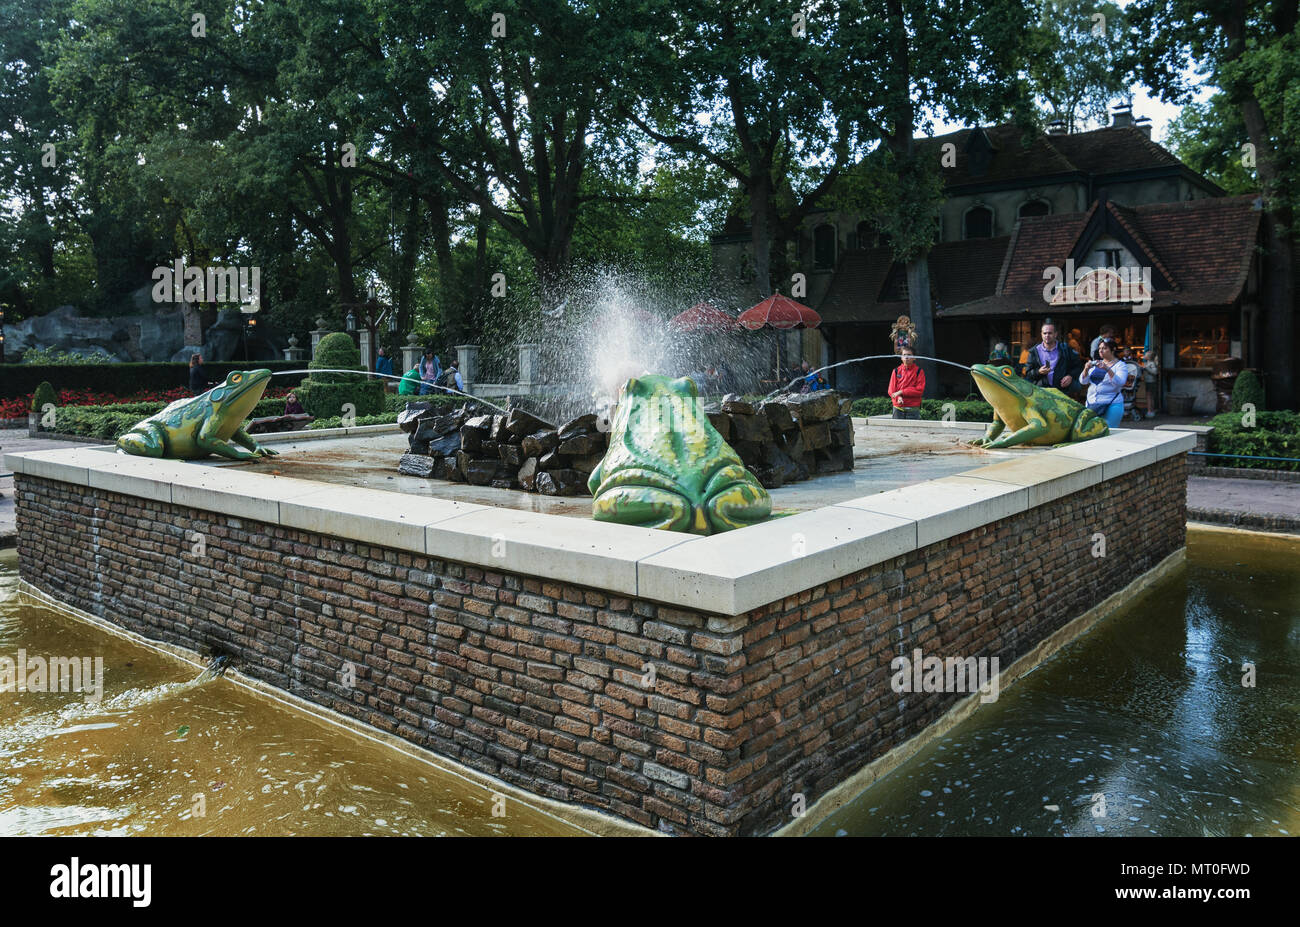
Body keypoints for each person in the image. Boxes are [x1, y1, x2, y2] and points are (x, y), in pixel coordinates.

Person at [1024, 318, 1083, 396]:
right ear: (1041, 334)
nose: (1047, 336)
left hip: (1062, 392)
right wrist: (1038, 372)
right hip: (1041, 392)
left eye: (1050, 333)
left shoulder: (1065, 349)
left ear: (1055, 334)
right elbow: (1028, 374)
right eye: (1044, 333)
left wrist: (1070, 376)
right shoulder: (1034, 352)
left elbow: (1078, 366)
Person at [1081, 336, 1128, 428]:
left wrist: (1107, 369)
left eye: (1104, 348)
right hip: (1092, 403)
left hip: (1111, 403)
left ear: (1113, 350)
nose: (1101, 351)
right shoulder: (1096, 363)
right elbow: (1083, 381)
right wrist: (1086, 369)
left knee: (1109, 431)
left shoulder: (1120, 365)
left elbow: (1120, 382)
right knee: (1091, 431)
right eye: (1099, 348)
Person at [888, 345, 925, 418]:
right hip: (898, 408)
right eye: (904, 355)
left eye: (909, 355)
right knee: (896, 429)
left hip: (913, 409)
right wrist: (898, 397)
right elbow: (891, 390)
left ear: (914, 358)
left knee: (913, 429)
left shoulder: (919, 372)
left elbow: (919, 390)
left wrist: (902, 392)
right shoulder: (896, 371)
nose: (906, 357)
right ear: (901, 357)